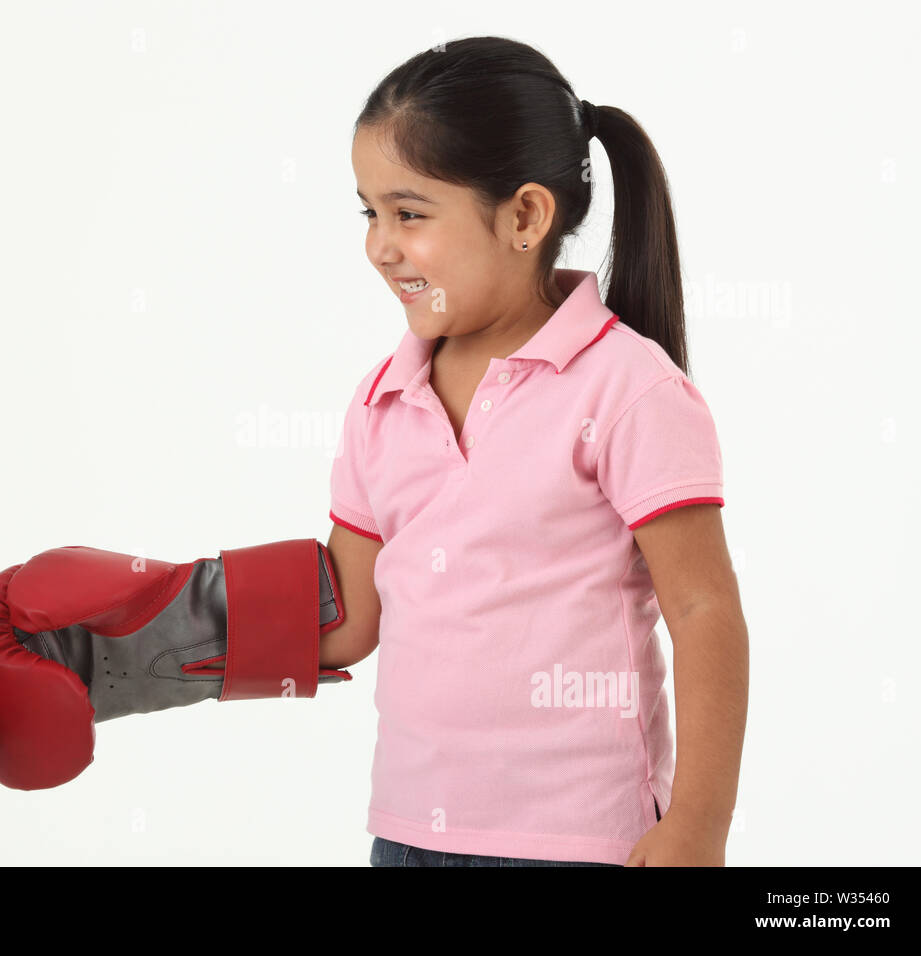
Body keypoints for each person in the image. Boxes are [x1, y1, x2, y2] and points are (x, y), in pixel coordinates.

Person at [318, 37, 748, 866]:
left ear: (523, 216)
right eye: (370, 212)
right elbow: (342, 615)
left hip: (580, 842)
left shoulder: (626, 388)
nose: (380, 245)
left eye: (409, 214)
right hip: (408, 838)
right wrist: (125, 637)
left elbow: (704, 612)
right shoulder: (383, 400)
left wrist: (699, 823)